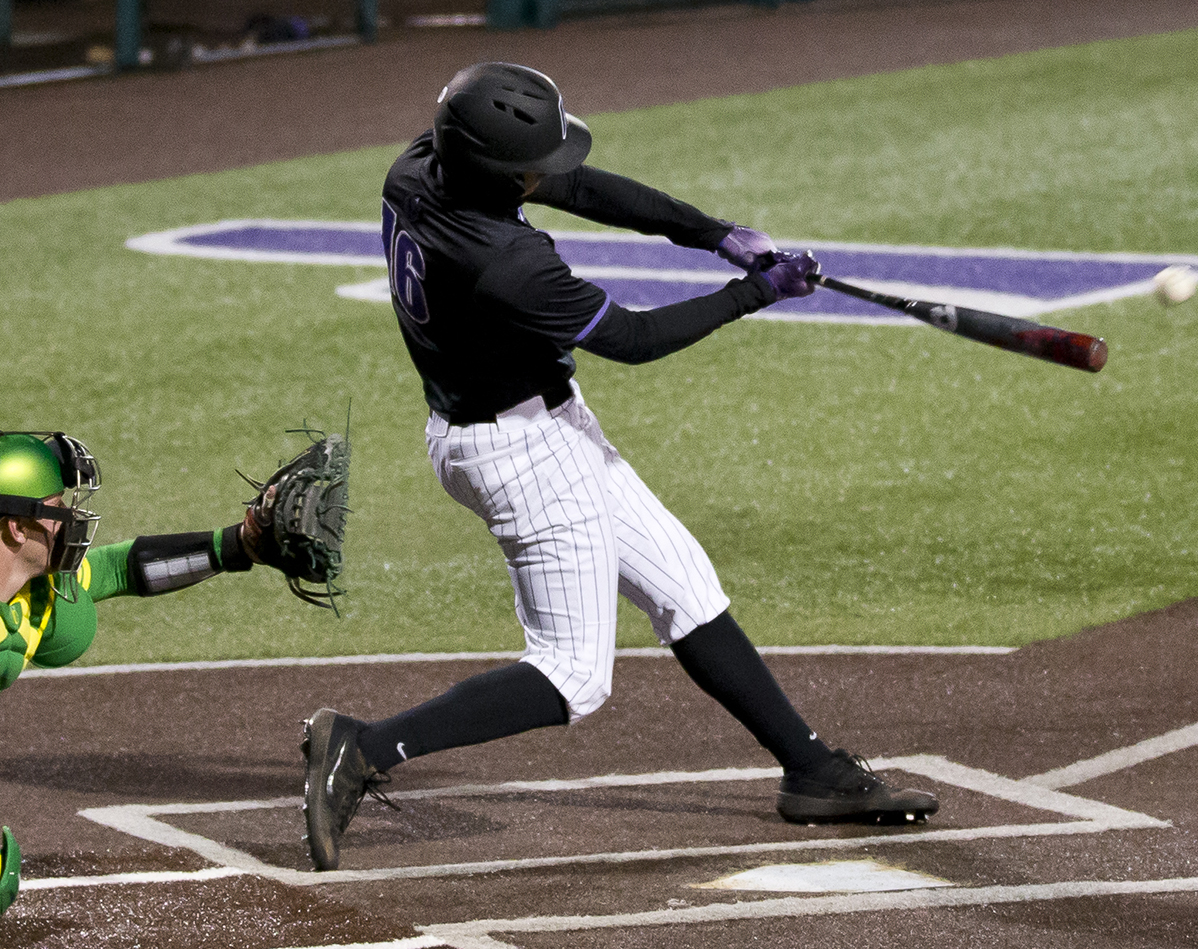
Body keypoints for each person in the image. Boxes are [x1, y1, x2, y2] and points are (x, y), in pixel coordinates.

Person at [299, 61, 937, 872]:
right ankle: (363, 746)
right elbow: (635, 339)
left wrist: (711, 232)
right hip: (523, 455)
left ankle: (813, 770)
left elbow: (581, 187)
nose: (549, 172)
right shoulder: (509, 265)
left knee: (685, 586)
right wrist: (757, 292)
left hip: (510, 426)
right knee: (572, 675)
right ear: (501, 174)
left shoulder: (422, 166)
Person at [0, 429, 285, 949]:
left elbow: (122, 569)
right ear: (17, 525)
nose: (70, 521)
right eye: (57, 508)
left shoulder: (30, 598)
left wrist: (238, 545)